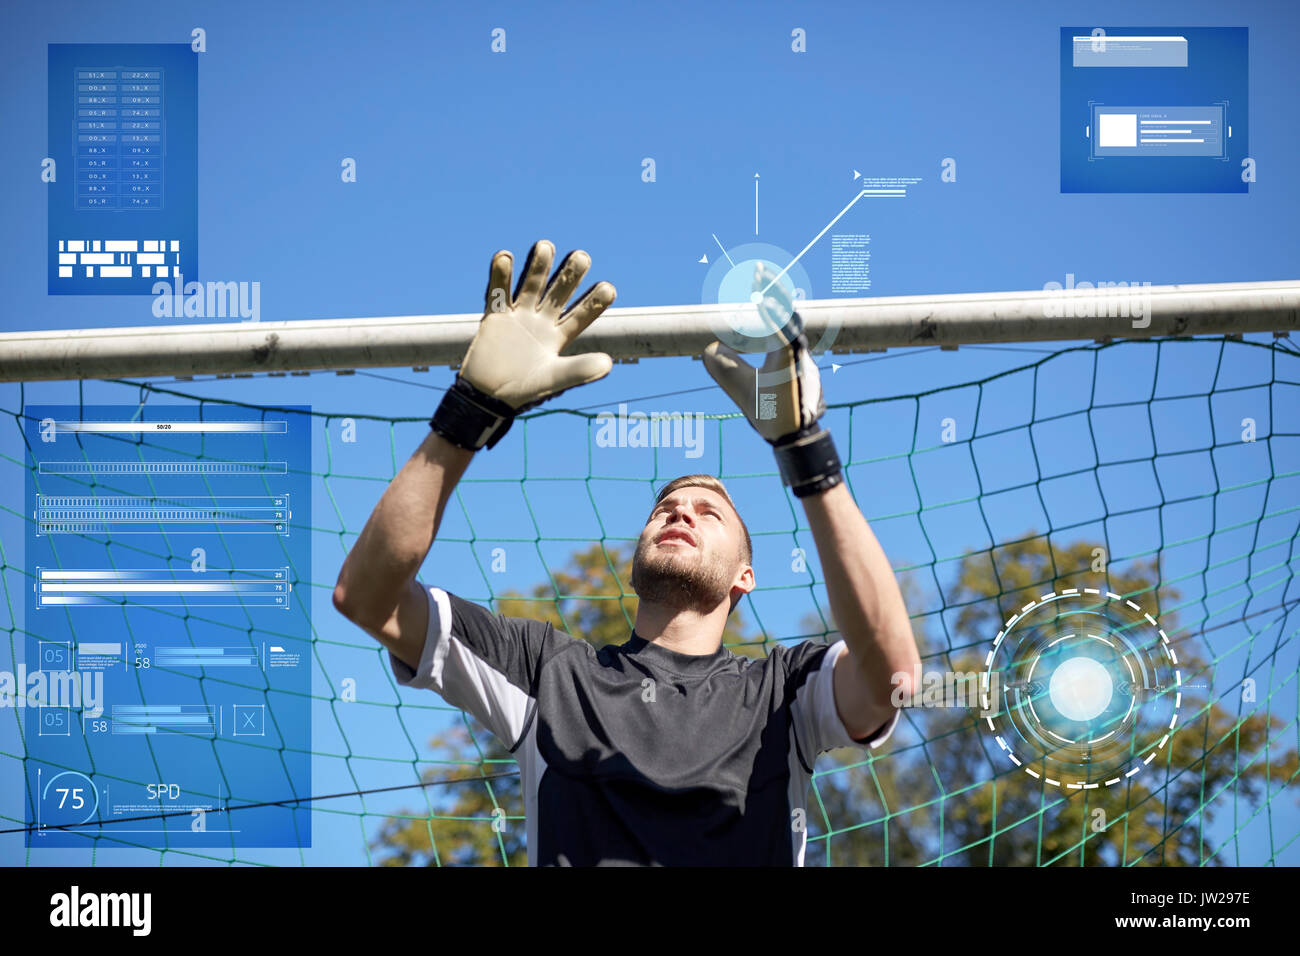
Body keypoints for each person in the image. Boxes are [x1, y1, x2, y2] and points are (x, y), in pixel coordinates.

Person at [333, 239, 921, 866]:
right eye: (665, 508)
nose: (680, 512)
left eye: (708, 512)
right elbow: (367, 597)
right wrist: (466, 414)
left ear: (745, 576)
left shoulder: (783, 692)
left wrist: (805, 449)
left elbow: (893, 679)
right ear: (636, 552)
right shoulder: (545, 673)